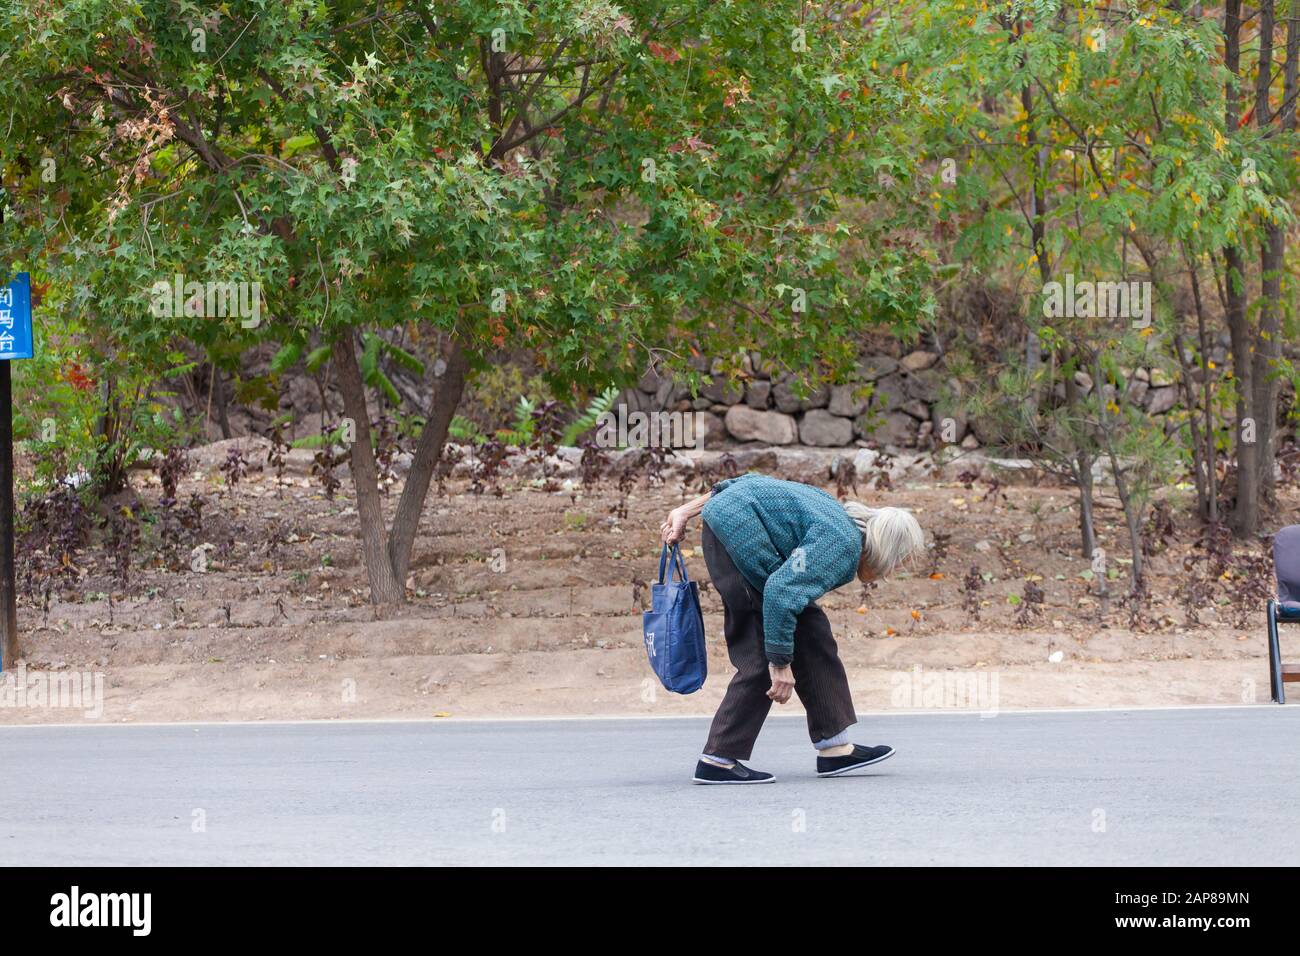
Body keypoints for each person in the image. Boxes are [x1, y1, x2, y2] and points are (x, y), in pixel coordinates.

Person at [661, 472, 924, 784]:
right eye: (898, 561)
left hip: (730, 526)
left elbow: (742, 483)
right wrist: (781, 663)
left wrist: (685, 510)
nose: (893, 570)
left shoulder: (835, 517)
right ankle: (718, 759)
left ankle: (834, 748)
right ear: (886, 547)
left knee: (812, 631)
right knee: (761, 653)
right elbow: (781, 593)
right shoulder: (842, 545)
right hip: (735, 540)